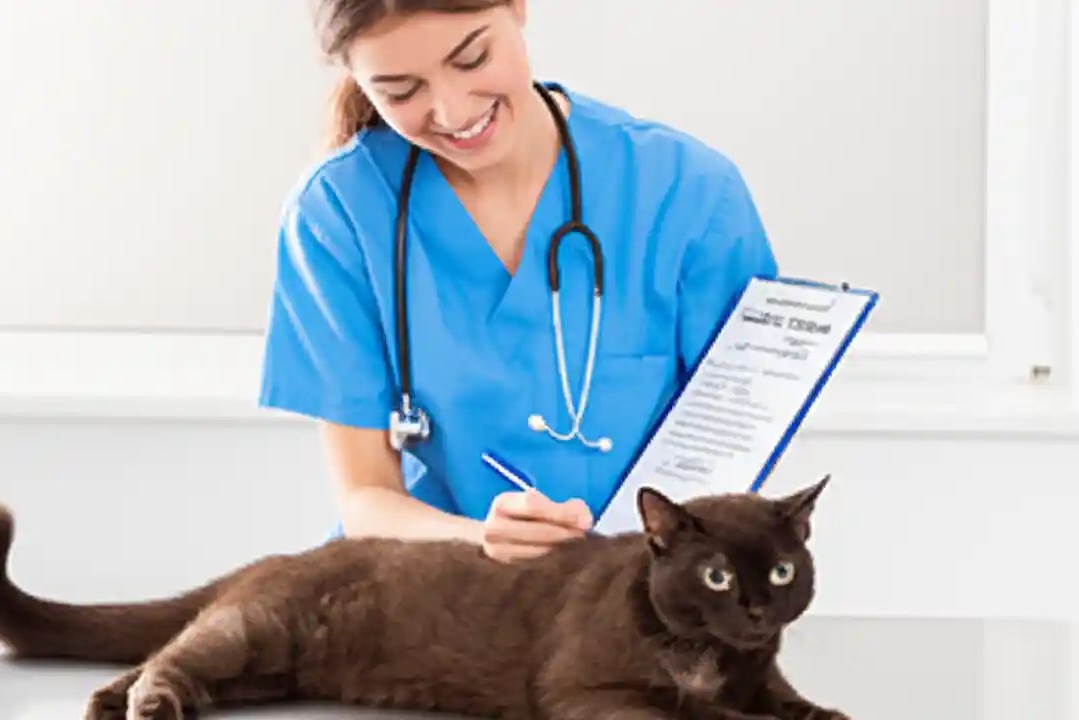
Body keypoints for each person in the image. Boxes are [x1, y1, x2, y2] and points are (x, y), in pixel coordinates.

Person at [258, 0, 778, 562]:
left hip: (642, 601)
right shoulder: (339, 212)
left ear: (518, 8)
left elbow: (735, 465)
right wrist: (482, 541)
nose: (452, 111)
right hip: (431, 596)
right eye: (401, 92)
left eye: (473, 58)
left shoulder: (688, 191)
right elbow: (365, 497)